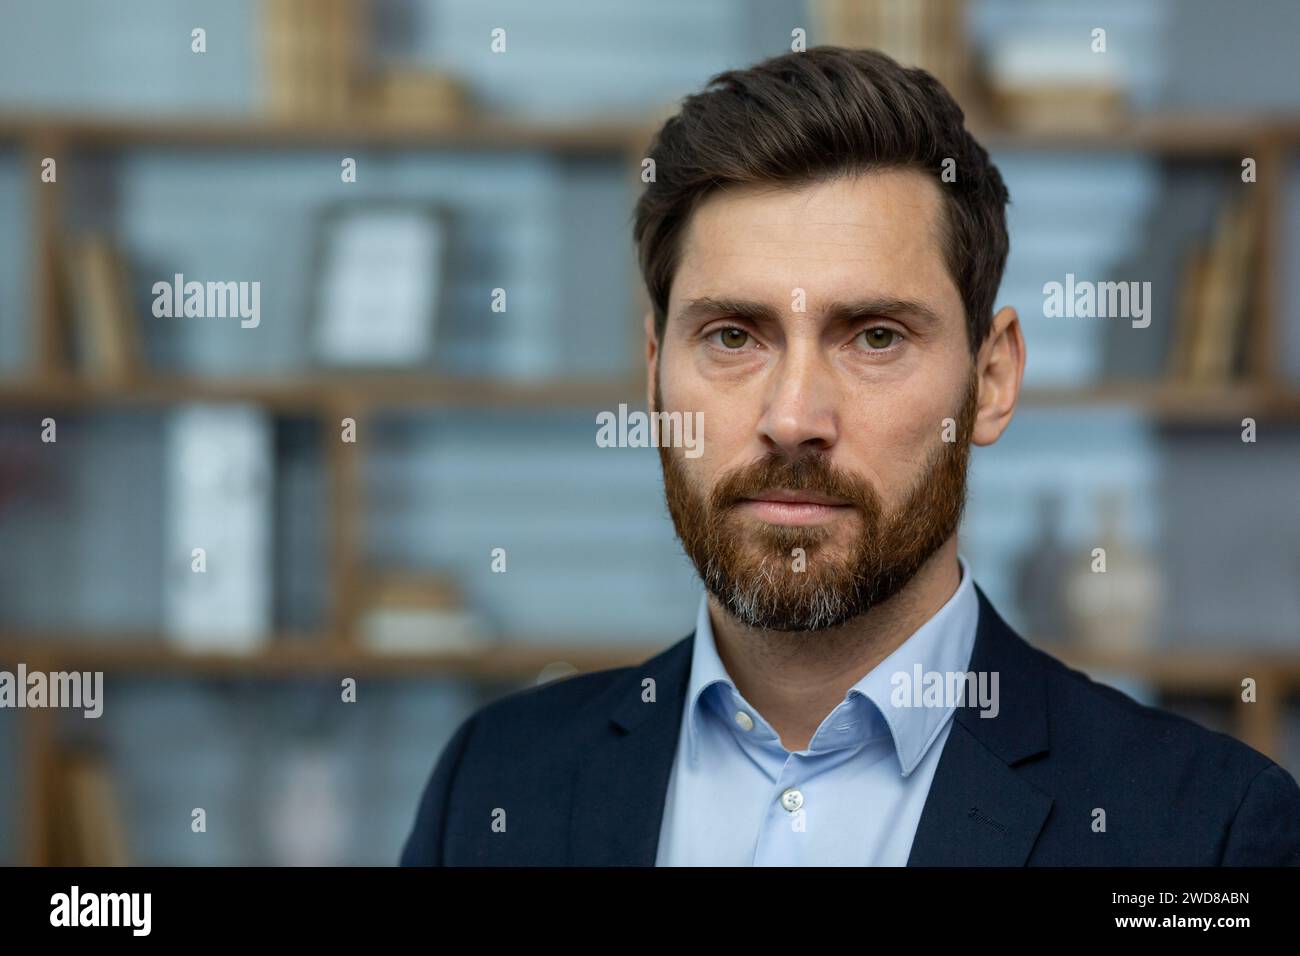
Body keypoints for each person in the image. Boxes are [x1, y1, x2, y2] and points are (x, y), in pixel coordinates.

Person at [401, 46, 1300, 866]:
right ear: (653, 373)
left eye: (874, 336)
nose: (793, 418)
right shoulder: (493, 787)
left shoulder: (1207, 835)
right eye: (731, 335)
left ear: (990, 381)